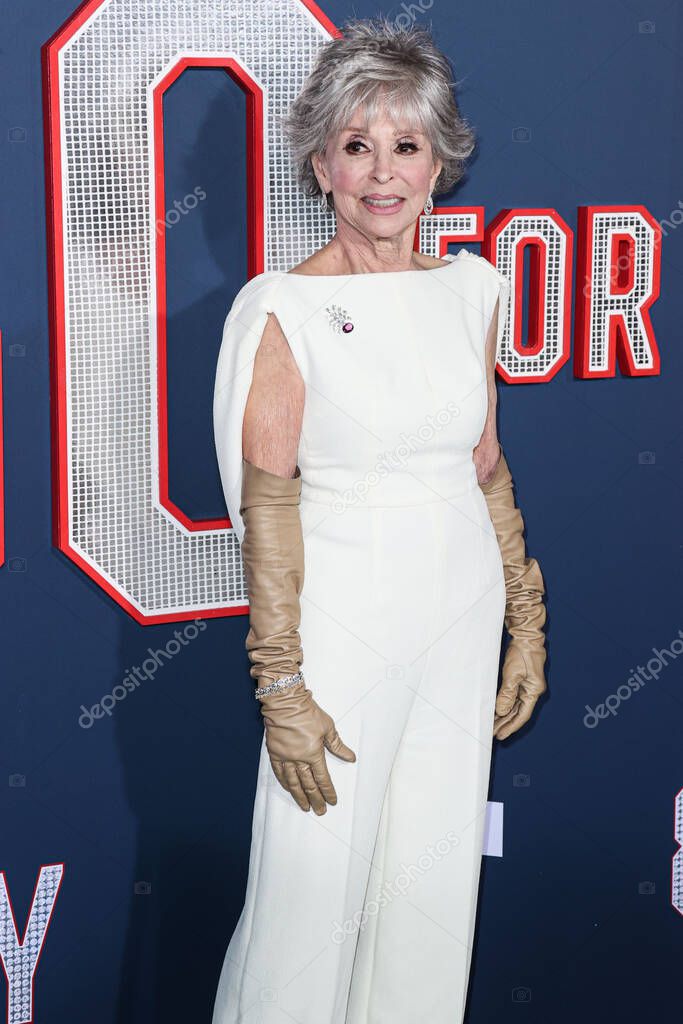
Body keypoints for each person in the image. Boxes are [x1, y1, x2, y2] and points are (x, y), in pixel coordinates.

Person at [212, 16, 547, 1024]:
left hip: (458, 629)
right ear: (320, 161)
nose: (382, 173)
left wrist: (522, 618)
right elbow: (265, 503)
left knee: (429, 904)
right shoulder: (282, 307)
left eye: (406, 145)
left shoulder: (470, 289)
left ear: (439, 161)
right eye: (357, 145)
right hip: (338, 648)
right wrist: (281, 682)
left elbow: (482, 465)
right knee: (303, 915)